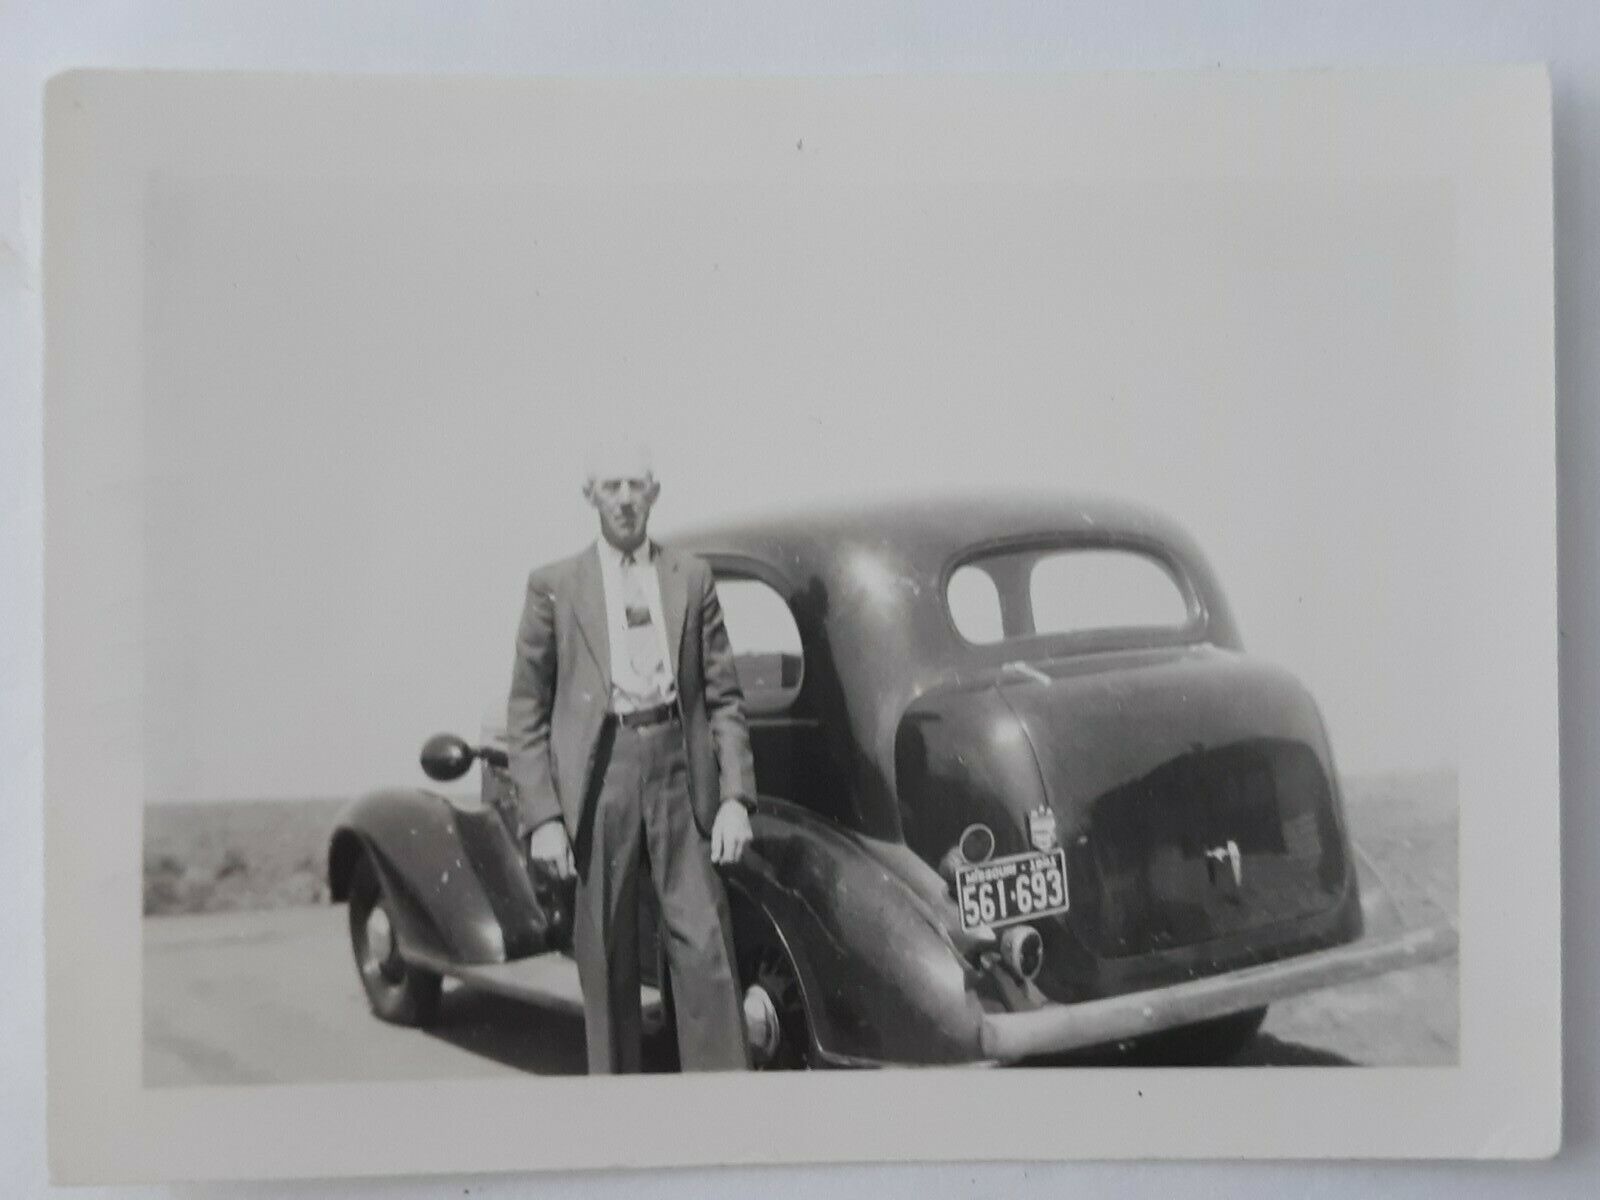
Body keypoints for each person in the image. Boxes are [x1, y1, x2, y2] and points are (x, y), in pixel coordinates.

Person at [505, 439, 755, 1073]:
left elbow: (724, 699)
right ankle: (619, 1110)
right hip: (601, 775)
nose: (624, 499)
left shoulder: (690, 577)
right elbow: (526, 713)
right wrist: (544, 818)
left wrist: (734, 799)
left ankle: (728, 1107)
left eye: (635, 486)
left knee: (705, 947)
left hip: (679, 770)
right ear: (590, 496)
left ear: (654, 494)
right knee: (607, 951)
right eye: (611, 486)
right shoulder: (554, 587)